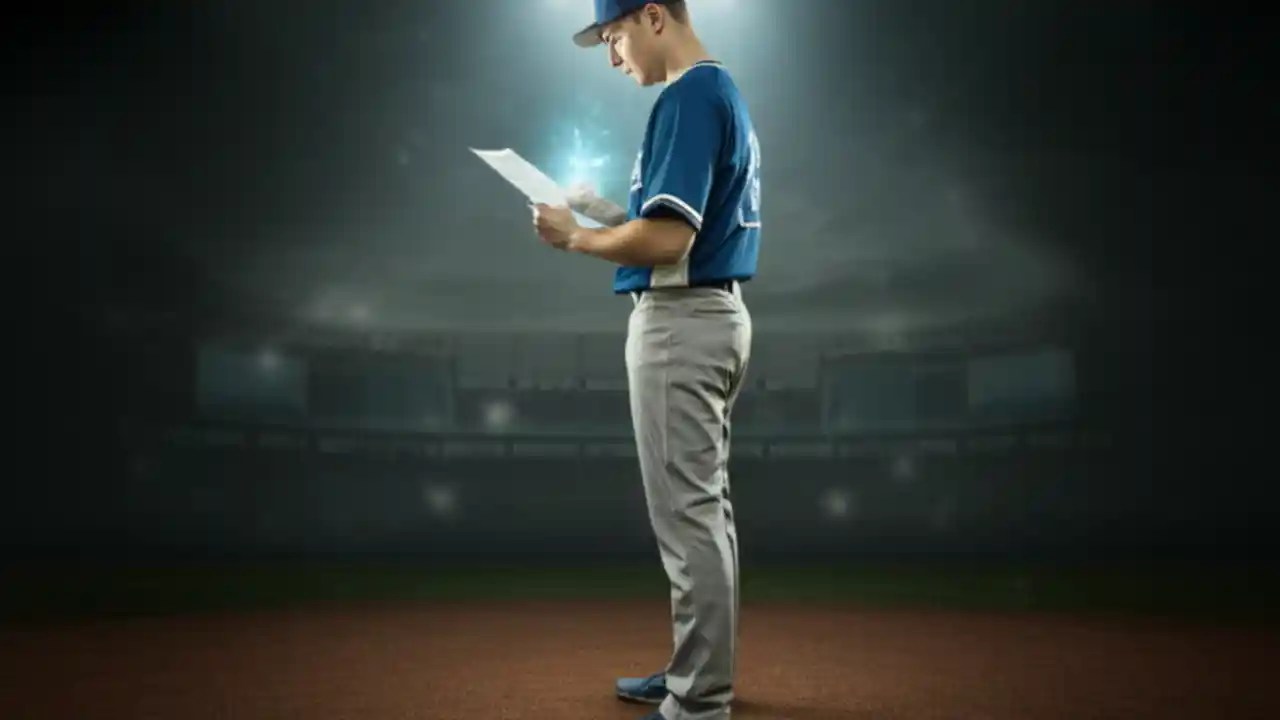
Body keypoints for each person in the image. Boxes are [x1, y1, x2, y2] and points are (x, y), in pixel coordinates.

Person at [531, 2, 761, 719]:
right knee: (705, 515)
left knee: (688, 519)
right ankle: (696, 671)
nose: (612, 56)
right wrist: (603, 211)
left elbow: (667, 243)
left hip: (680, 324)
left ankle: (699, 700)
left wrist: (575, 238)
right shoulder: (717, 90)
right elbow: (676, 219)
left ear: (653, 16)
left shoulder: (690, 94)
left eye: (614, 35)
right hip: (711, 315)